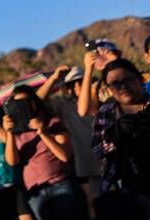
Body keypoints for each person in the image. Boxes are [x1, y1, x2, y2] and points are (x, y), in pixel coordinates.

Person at [2, 87, 107, 220]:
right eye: (18, 103)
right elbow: (12, 161)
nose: (24, 106)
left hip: (62, 185)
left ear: (35, 101)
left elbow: (65, 155)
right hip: (36, 193)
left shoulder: (53, 122)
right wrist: (9, 133)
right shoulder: (16, 132)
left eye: (27, 100)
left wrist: (43, 132)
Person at [92, 58, 150, 220]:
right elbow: (96, 150)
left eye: (128, 80)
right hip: (123, 190)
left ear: (139, 79)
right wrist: (116, 134)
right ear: (109, 89)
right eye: (115, 83)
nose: (123, 86)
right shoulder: (106, 112)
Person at [39, 65, 103, 210]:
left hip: (112, 162)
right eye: (74, 83)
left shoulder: (104, 100)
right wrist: (53, 78)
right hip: (86, 167)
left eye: (83, 81)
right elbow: (36, 101)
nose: (80, 85)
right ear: (68, 88)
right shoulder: (65, 106)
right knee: (96, 207)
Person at [79, 40, 122, 117]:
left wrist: (115, 63)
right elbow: (83, 111)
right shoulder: (96, 88)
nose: (100, 57)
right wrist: (88, 71)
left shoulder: (134, 75)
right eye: (96, 53)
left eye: (105, 52)